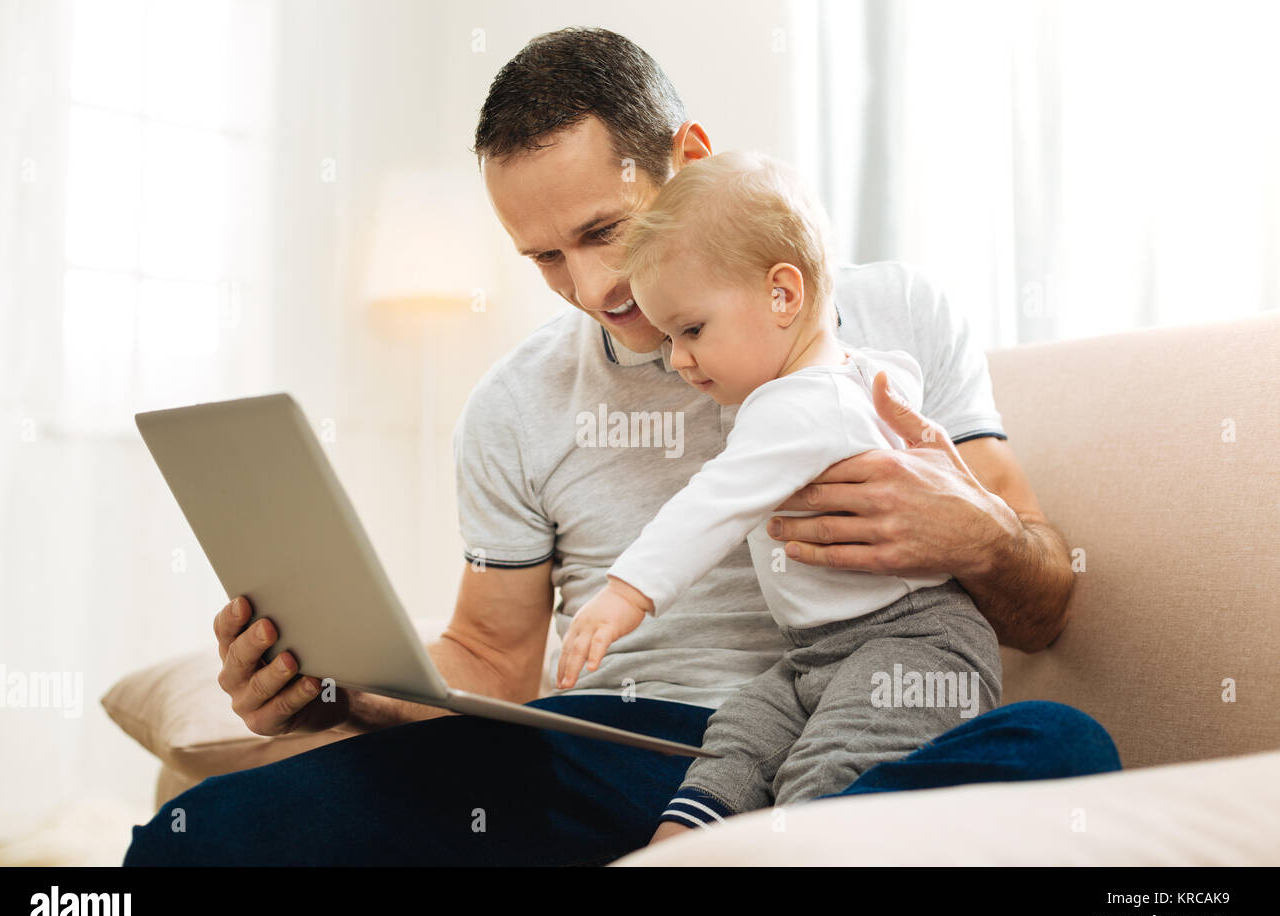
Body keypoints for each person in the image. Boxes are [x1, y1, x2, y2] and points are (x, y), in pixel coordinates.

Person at [123, 27, 1118, 867]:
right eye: (545, 256)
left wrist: (977, 534)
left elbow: (1045, 599)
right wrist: (330, 683)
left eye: (606, 228)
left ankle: (783, 837)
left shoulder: (895, 315)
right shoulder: (513, 405)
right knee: (188, 838)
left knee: (1064, 746)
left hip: (869, 731)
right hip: (619, 752)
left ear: (688, 154)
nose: (592, 284)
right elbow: (491, 656)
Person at [556, 150, 1002, 842]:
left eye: (692, 330)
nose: (677, 359)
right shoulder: (858, 373)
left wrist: (626, 594)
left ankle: (773, 844)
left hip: (911, 642)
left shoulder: (789, 407)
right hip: (816, 653)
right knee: (741, 733)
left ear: (783, 295)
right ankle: (685, 840)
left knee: (829, 762)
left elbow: (713, 505)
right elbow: (898, 382)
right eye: (671, 336)